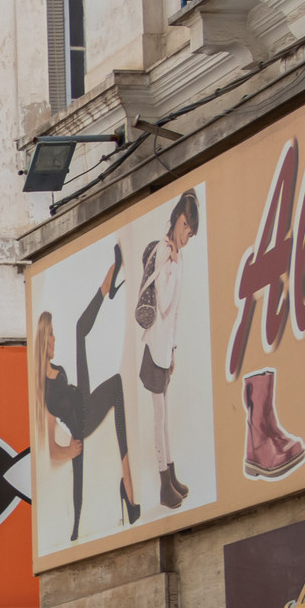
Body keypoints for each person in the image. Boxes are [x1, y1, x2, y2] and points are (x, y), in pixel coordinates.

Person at [36, 244, 138, 542]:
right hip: (80, 420)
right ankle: (127, 487)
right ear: (43, 340)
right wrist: (70, 450)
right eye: (51, 333)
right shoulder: (42, 392)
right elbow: (53, 448)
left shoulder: (56, 369)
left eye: (54, 332)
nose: (55, 338)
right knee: (114, 379)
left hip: (83, 401)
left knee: (82, 333)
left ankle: (107, 287)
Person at [136, 191, 198, 510]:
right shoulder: (165, 251)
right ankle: (164, 484)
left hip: (164, 348)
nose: (186, 236)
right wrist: (172, 262)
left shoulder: (178, 256)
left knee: (165, 418)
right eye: (186, 228)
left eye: (190, 232)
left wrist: (173, 350)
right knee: (159, 418)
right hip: (153, 347)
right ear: (178, 220)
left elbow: (177, 312)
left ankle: (171, 476)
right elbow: (165, 301)